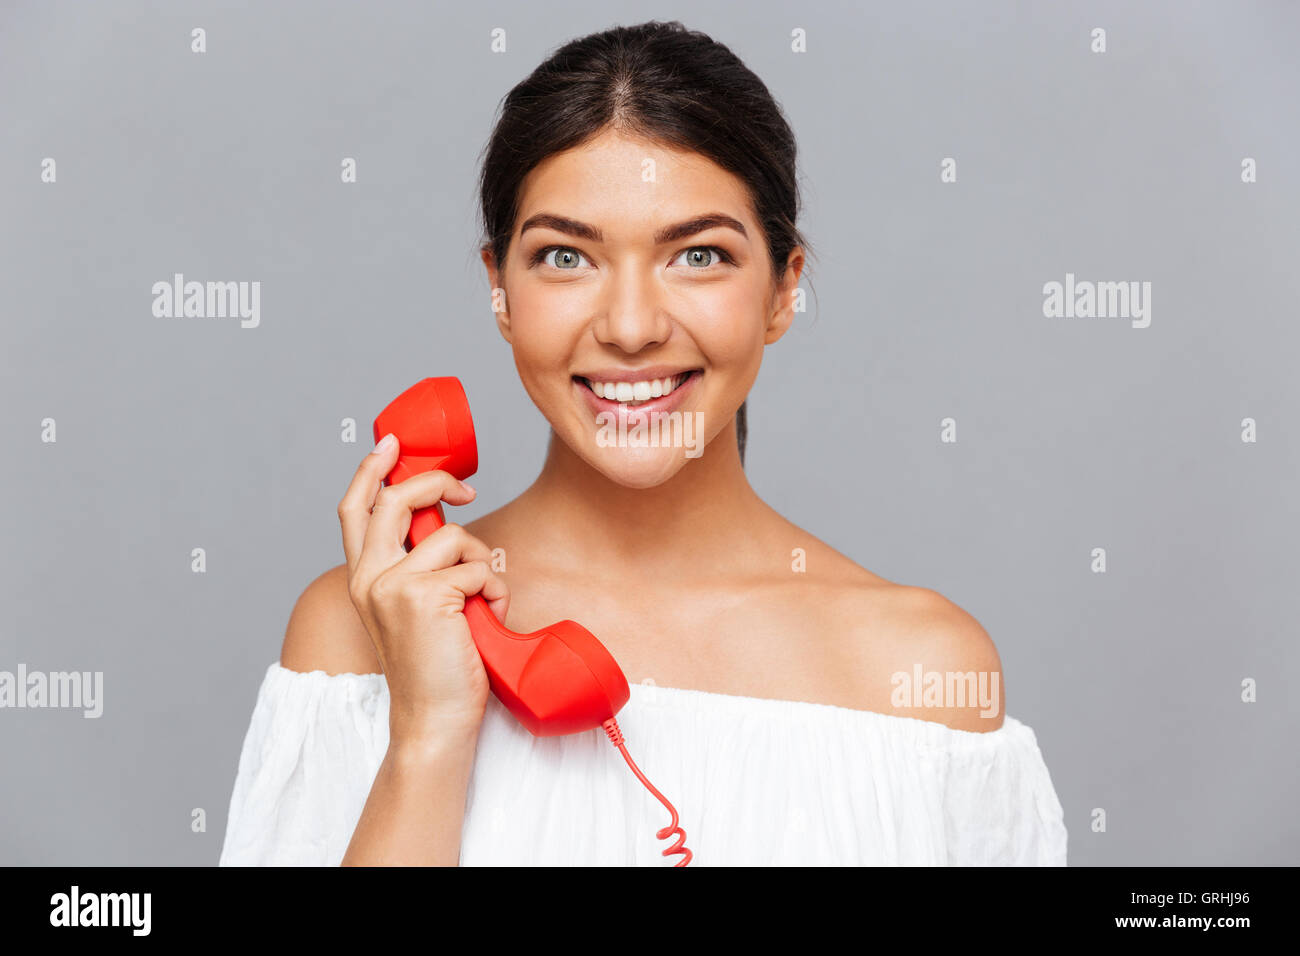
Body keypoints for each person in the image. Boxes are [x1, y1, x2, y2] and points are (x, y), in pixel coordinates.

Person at [218, 20, 1067, 866]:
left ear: (783, 290)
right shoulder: (356, 634)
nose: (631, 328)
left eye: (699, 255)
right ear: (500, 292)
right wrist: (429, 735)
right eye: (564, 257)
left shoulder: (925, 675)